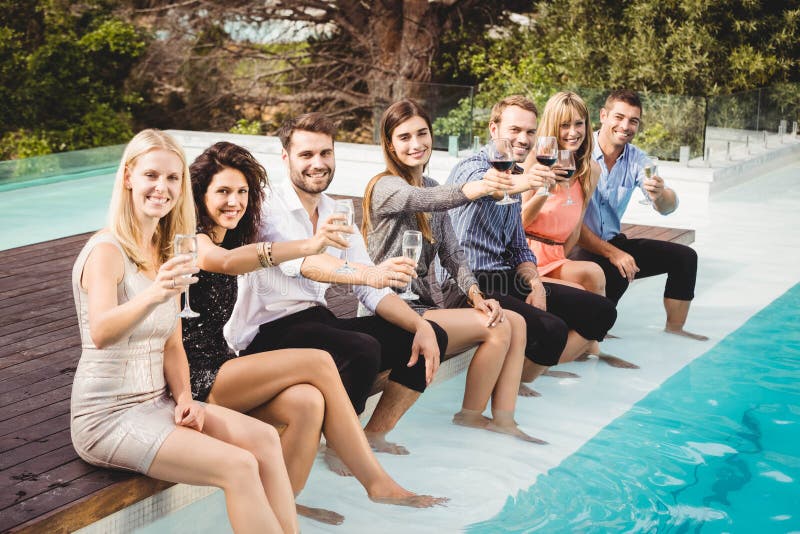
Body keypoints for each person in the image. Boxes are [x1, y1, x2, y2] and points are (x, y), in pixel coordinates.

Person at [183, 141, 444, 515]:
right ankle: (376, 482)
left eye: (242, 192)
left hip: (226, 365)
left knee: (308, 401)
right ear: (201, 194)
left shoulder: (236, 234)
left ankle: (286, 504)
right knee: (320, 361)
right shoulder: (194, 240)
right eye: (223, 191)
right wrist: (310, 245)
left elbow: (269, 260)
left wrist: (387, 293)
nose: (234, 201)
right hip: (197, 378)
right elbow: (224, 263)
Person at [70, 129, 297, 534]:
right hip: (107, 415)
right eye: (151, 175)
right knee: (239, 465)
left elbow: (173, 344)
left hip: (158, 401)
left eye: (172, 178)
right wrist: (156, 292)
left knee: (264, 439)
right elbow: (101, 332)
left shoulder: (165, 250)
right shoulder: (106, 251)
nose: (162, 187)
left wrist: (185, 398)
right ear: (128, 177)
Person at [225, 112, 450, 457]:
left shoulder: (336, 210)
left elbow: (370, 289)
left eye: (325, 153)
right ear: (285, 157)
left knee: (429, 336)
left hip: (316, 321)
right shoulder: (267, 207)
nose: (318, 163)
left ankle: (373, 434)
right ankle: (341, 446)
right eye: (306, 154)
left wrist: (419, 325)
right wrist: (368, 274)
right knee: (361, 349)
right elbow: (305, 264)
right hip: (265, 332)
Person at [362, 99, 542, 443]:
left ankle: (503, 419)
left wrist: (476, 296)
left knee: (513, 321)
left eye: (422, 134)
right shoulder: (385, 187)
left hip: (421, 306)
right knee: (498, 328)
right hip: (387, 308)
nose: (416, 144)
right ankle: (469, 416)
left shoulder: (431, 184)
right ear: (390, 144)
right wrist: (483, 186)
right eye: (404, 137)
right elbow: (424, 200)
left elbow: (452, 254)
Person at [445, 95, 617, 393]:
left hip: (505, 277)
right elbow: (490, 186)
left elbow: (519, 247)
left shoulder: (517, 172)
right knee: (553, 329)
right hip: (466, 281)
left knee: (601, 311)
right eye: (515, 130)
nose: (523, 139)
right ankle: (508, 385)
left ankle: (518, 379)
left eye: (529, 132)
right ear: (494, 129)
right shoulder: (471, 167)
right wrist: (533, 184)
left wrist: (535, 282)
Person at [568, 89, 708, 341]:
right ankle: (589, 335)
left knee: (685, 257)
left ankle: (675, 331)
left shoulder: (637, 159)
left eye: (633, 121)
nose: (625, 126)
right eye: (619, 117)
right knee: (618, 269)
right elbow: (570, 225)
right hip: (577, 244)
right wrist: (614, 254)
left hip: (612, 241)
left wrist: (660, 194)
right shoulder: (579, 152)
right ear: (603, 116)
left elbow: (667, 208)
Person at [520, 91, 637, 369]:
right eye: (564, 125)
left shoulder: (590, 170)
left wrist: (563, 255)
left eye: (578, 124)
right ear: (553, 126)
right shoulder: (535, 161)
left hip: (555, 255)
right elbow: (518, 223)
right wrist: (545, 188)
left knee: (593, 273)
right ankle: (541, 366)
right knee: (580, 293)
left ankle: (590, 346)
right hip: (525, 254)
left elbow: (574, 228)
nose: (573, 132)